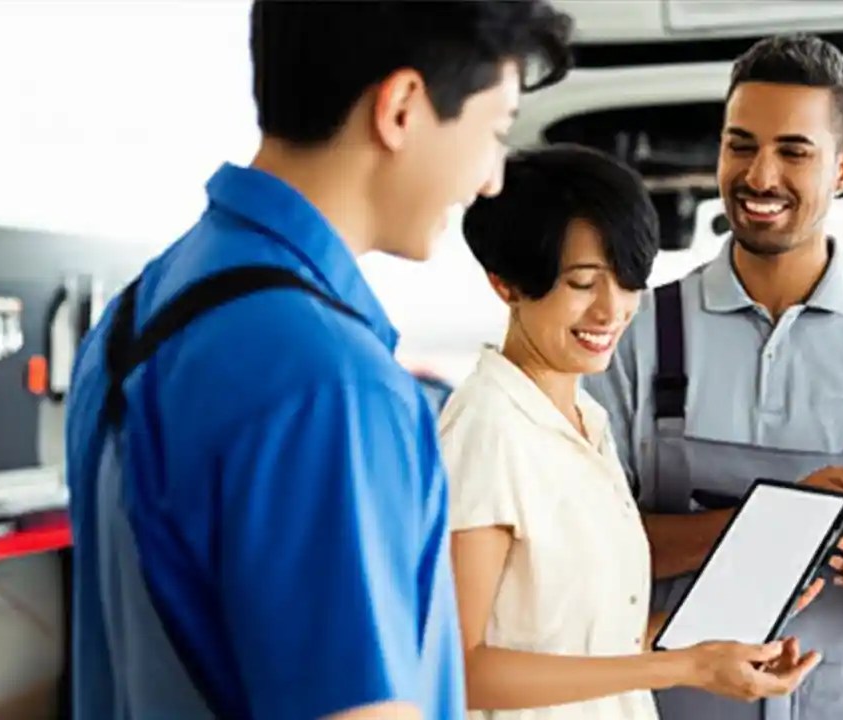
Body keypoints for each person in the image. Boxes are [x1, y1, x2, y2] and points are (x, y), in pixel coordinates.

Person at [63, 2, 572, 719]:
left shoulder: (138, 313)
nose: (490, 179)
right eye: (494, 132)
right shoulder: (329, 381)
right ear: (400, 109)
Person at [582, 34, 843, 720]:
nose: (759, 175)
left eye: (794, 151)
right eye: (740, 144)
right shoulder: (634, 338)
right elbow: (589, 558)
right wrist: (778, 520)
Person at [441, 144, 823, 720]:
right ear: (507, 284)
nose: (611, 310)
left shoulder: (585, 420)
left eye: (627, 281)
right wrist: (683, 667)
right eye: (582, 283)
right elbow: (459, 671)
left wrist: (728, 625)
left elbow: (591, 643)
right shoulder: (486, 430)